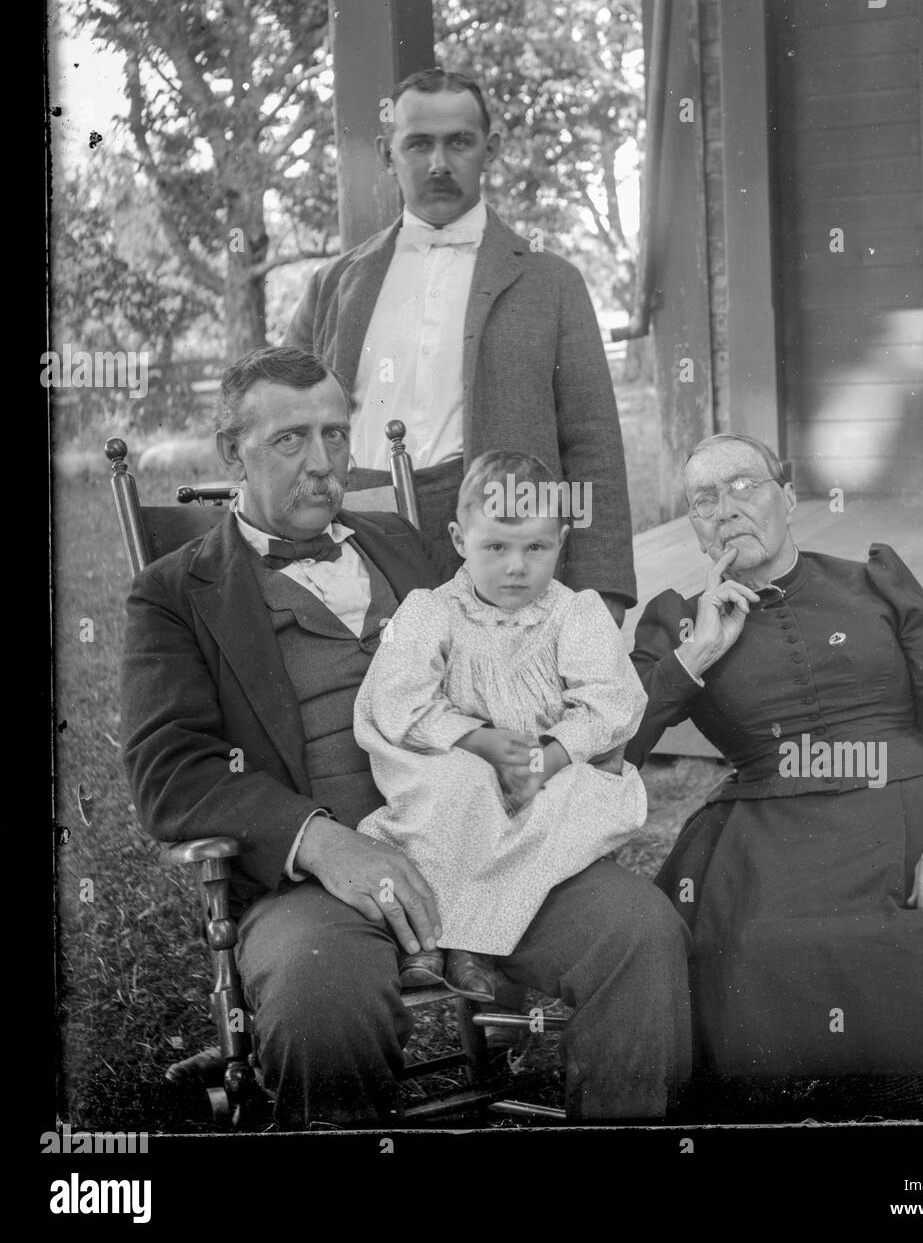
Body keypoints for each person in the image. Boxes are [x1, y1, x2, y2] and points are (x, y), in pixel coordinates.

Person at [122, 346, 691, 1127]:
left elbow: (529, 624)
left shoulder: (407, 542)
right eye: (291, 440)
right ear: (233, 452)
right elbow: (169, 773)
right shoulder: (175, 594)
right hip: (320, 884)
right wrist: (322, 842)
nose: (323, 464)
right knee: (322, 995)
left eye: (335, 434)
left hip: (492, 847)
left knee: (639, 933)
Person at [625, 432, 923, 1113]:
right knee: (758, 948)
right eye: (703, 499)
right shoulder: (678, 621)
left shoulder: (874, 584)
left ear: (789, 498)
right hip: (769, 829)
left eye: (745, 485)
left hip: (913, 805)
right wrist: (696, 655)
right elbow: (615, 749)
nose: (724, 508)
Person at [285, 66, 635, 625]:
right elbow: (287, 425)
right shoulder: (333, 284)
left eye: (460, 143)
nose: (439, 164)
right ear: (386, 151)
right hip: (358, 539)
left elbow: (592, 445)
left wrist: (604, 593)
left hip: (498, 544)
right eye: (418, 144)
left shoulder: (551, 282)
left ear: (490, 148)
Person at [353, 451, 649, 1000]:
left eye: (535, 547)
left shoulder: (575, 613)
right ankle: (435, 942)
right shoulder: (428, 610)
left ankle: (472, 942)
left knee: (563, 803)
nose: (516, 567)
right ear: (459, 538)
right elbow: (398, 700)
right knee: (458, 790)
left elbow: (612, 703)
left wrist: (549, 759)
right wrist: (480, 740)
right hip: (454, 760)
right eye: (495, 547)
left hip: (550, 768)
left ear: (561, 540)